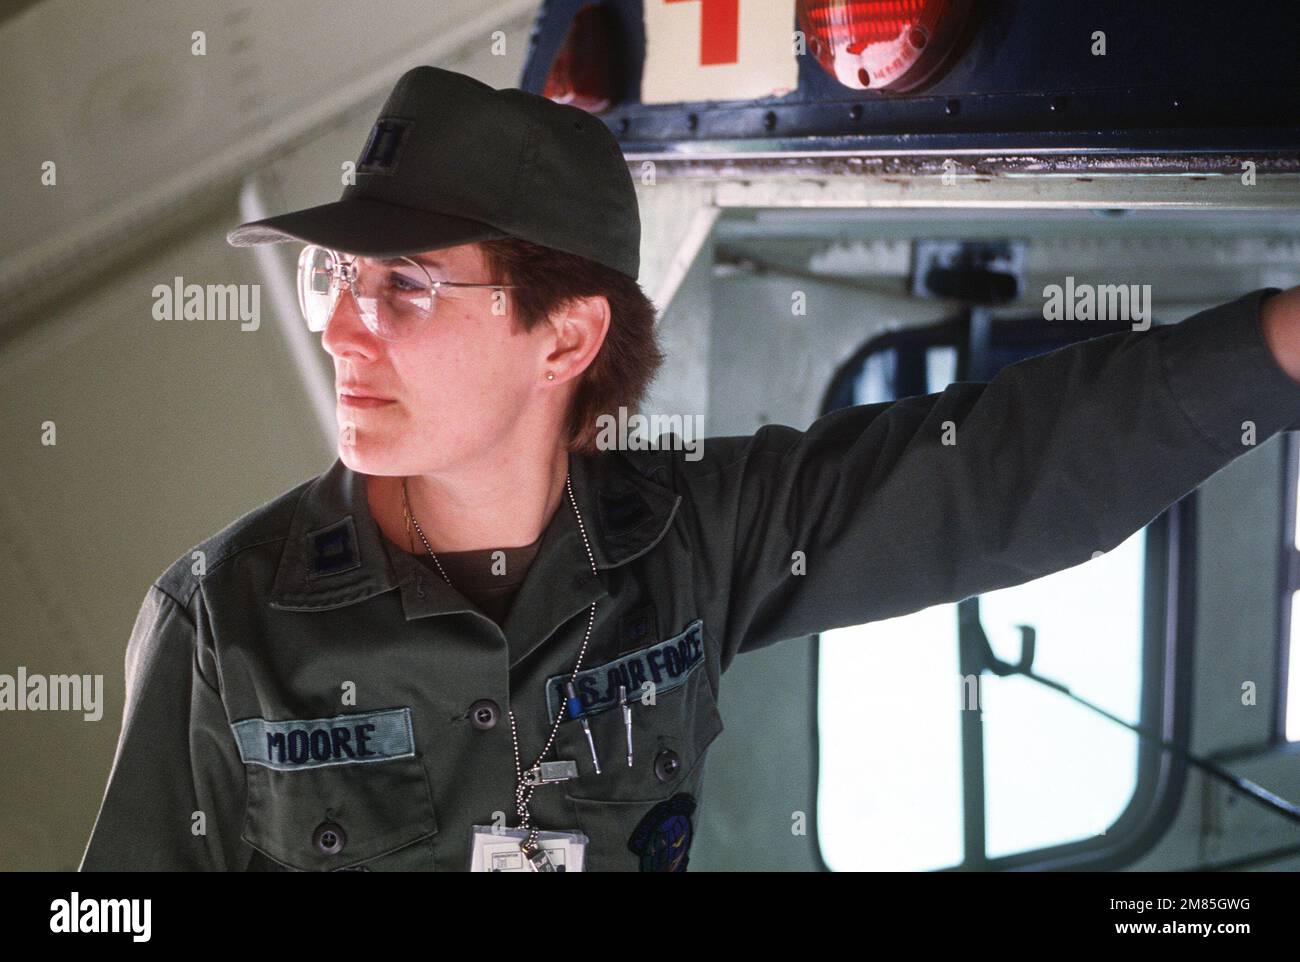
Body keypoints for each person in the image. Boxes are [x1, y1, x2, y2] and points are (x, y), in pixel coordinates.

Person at [80, 65, 1300, 872]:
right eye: (338, 279)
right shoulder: (222, 622)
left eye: (402, 284)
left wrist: (1279, 348)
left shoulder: (690, 538)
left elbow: (997, 480)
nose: (342, 328)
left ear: (564, 335)